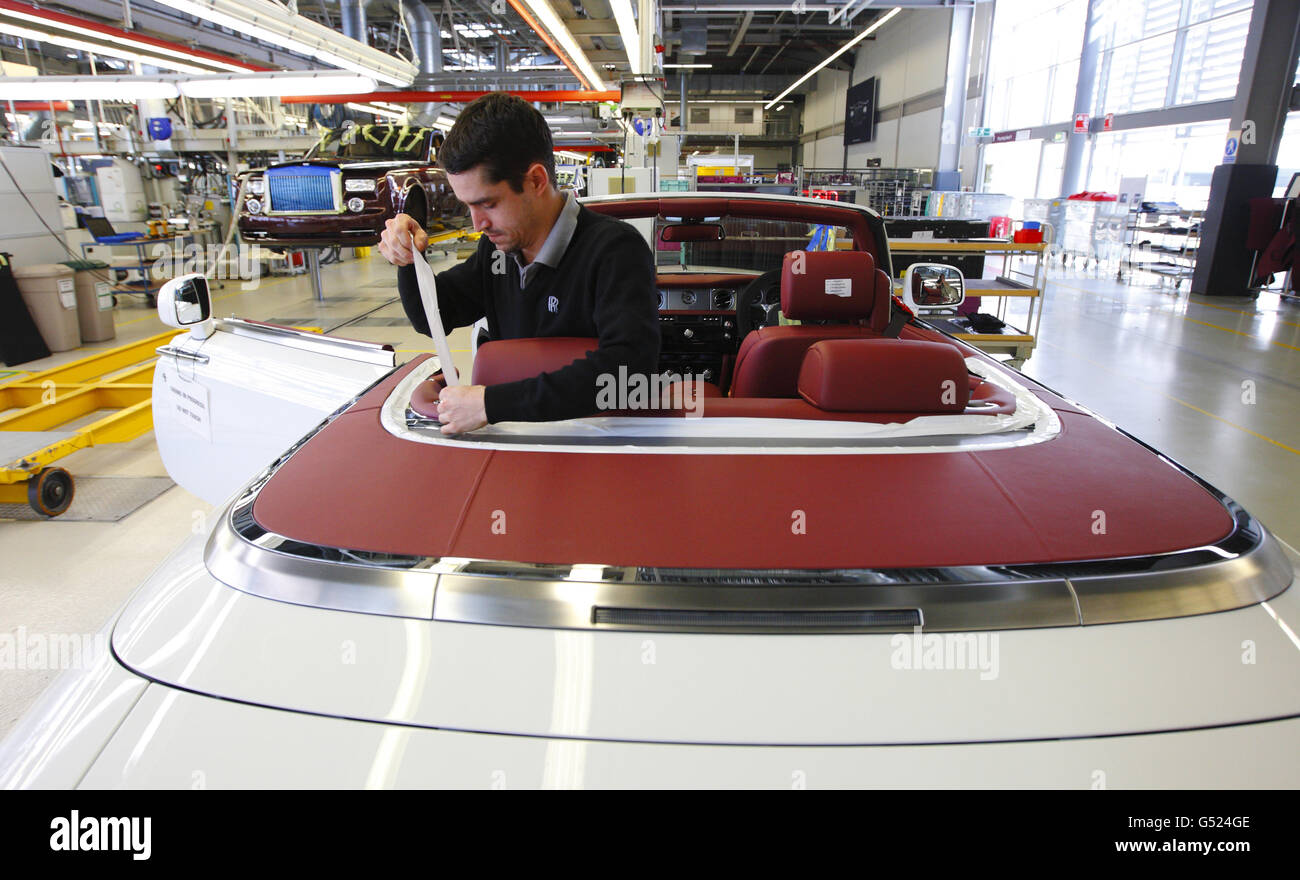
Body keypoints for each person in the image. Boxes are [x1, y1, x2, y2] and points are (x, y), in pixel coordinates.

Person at [378, 93, 659, 434]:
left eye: (488, 203)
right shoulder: (497, 253)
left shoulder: (615, 250)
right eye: (468, 206)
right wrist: (409, 258)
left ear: (536, 181)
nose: (476, 223)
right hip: (517, 439)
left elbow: (628, 371)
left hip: (592, 442)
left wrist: (490, 404)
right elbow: (433, 315)